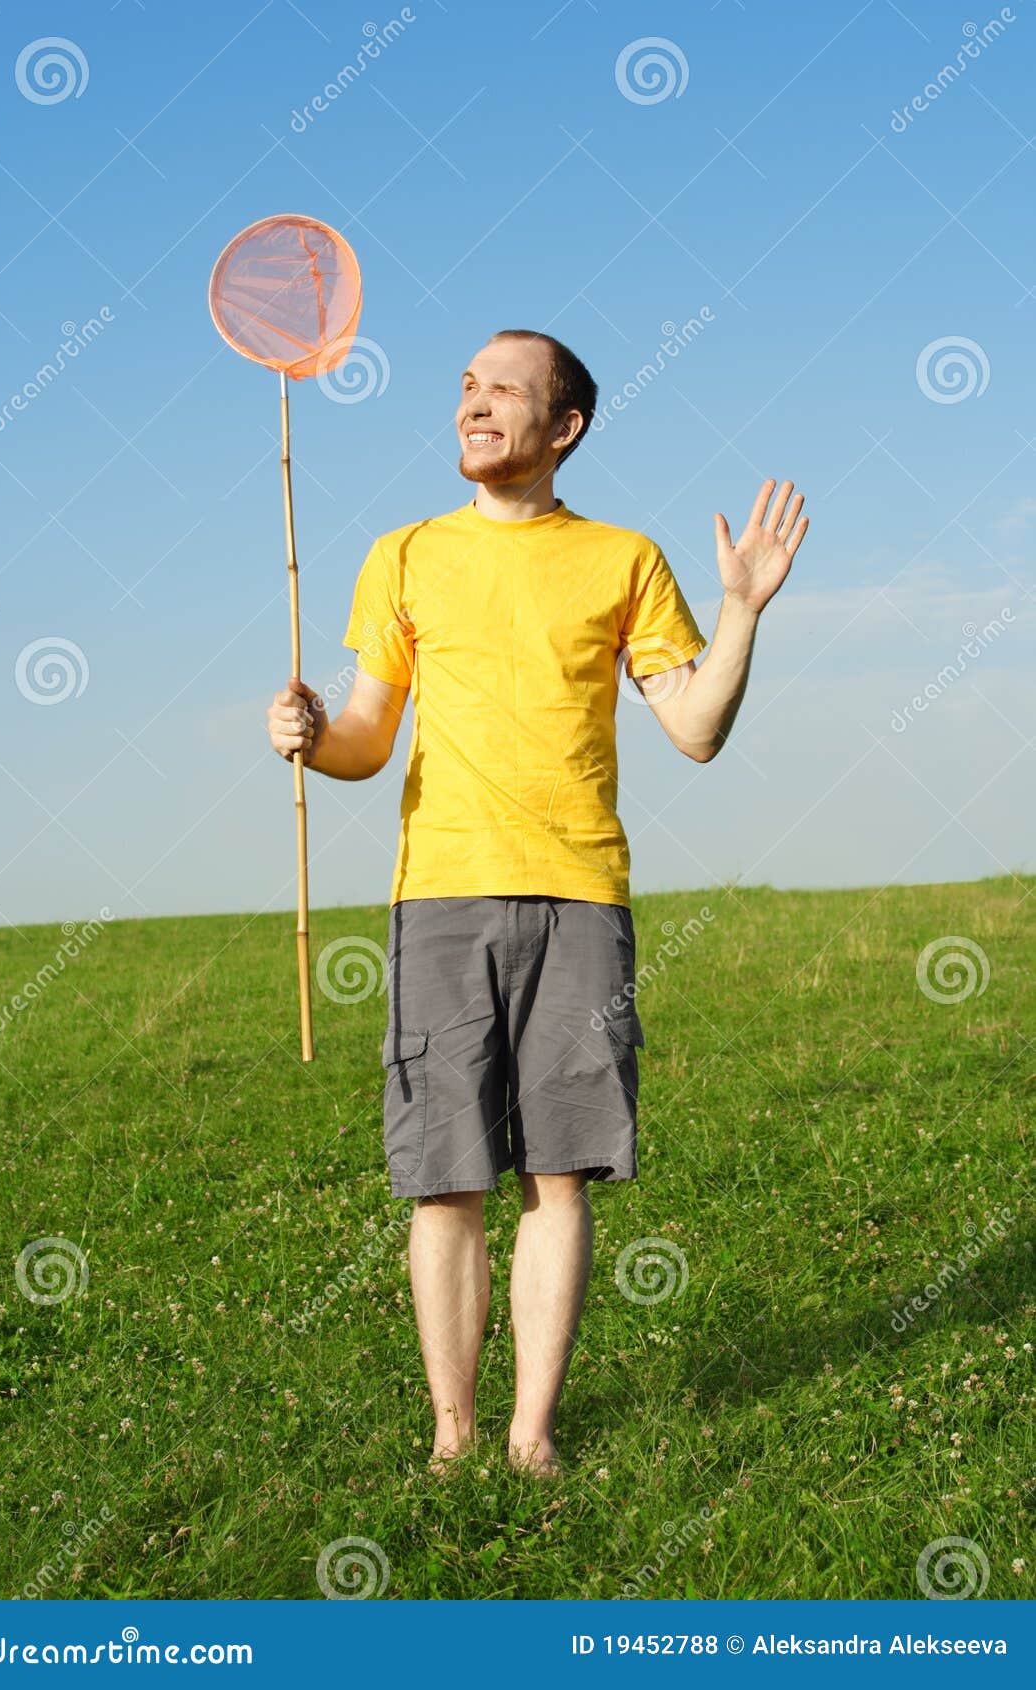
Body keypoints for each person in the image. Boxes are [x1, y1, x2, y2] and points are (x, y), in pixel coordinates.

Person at [266, 329, 808, 1476]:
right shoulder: (402, 554)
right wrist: (313, 739)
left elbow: (695, 729)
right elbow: (368, 736)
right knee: (444, 1176)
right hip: (442, 896)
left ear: (562, 428)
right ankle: (453, 1439)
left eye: (503, 390)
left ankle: (529, 1437)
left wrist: (745, 609)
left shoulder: (622, 559)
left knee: (556, 1174)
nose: (474, 403)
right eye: (464, 384)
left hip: (579, 895)